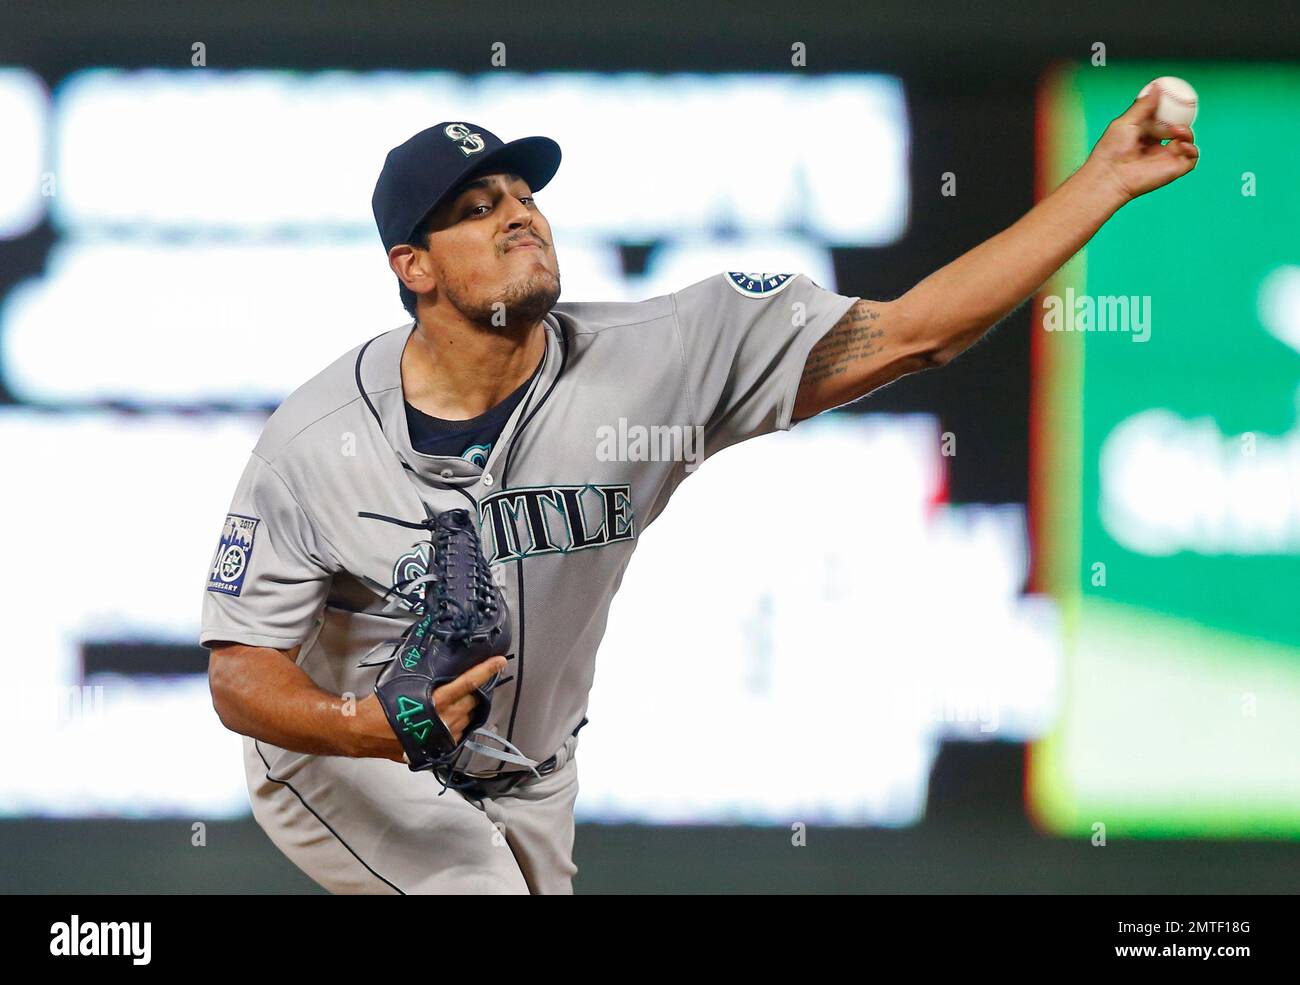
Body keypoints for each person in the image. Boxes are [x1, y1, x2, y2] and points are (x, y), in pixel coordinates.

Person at [202, 97, 1197, 894]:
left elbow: (912, 333)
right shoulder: (317, 441)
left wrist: (1101, 181)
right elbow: (239, 673)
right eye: (473, 208)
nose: (517, 215)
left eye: (520, 193)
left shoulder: (660, 360)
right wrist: (355, 724)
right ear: (411, 267)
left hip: (531, 773)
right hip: (351, 761)